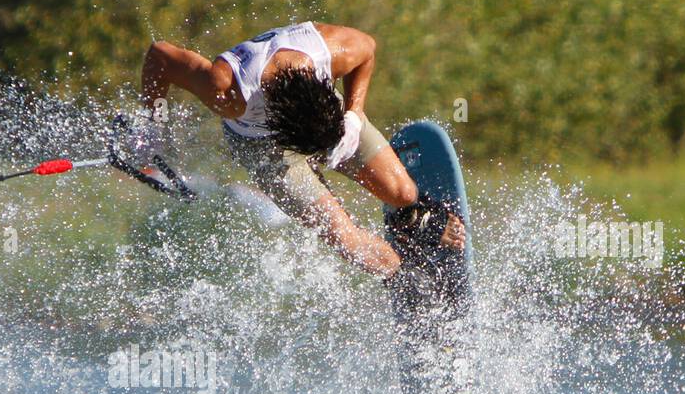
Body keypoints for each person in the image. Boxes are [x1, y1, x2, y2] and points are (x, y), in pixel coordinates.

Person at [132, 21, 465, 278]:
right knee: (345, 236)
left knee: (403, 192)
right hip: (262, 146)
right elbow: (160, 56)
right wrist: (152, 123)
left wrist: (352, 113)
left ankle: (407, 220)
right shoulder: (226, 91)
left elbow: (368, 49)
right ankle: (406, 276)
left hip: (328, 119)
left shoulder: (331, 52)